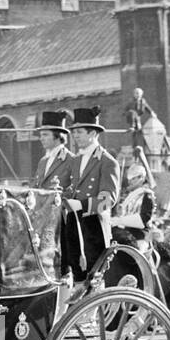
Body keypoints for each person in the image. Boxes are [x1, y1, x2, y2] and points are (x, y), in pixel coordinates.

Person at [62, 106, 121, 281]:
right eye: (74, 132)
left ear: (92, 134)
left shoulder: (107, 162)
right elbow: (71, 189)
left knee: (94, 276)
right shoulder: (76, 160)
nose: (75, 136)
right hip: (74, 221)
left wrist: (80, 204)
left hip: (94, 226)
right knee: (75, 273)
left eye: (79, 132)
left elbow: (108, 199)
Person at [111, 156, 155, 248]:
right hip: (121, 232)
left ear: (141, 178)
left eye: (134, 179)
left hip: (139, 235)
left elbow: (144, 219)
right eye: (129, 179)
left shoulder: (147, 194)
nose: (130, 181)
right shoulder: (127, 194)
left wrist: (119, 220)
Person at [32, 109, 75, 190]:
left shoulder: (71, 160)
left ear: (58, 136)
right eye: (41, 135)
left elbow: (74, 191)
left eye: (45, 135)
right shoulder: (43, 161)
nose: (41, 139)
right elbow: (34, 187)